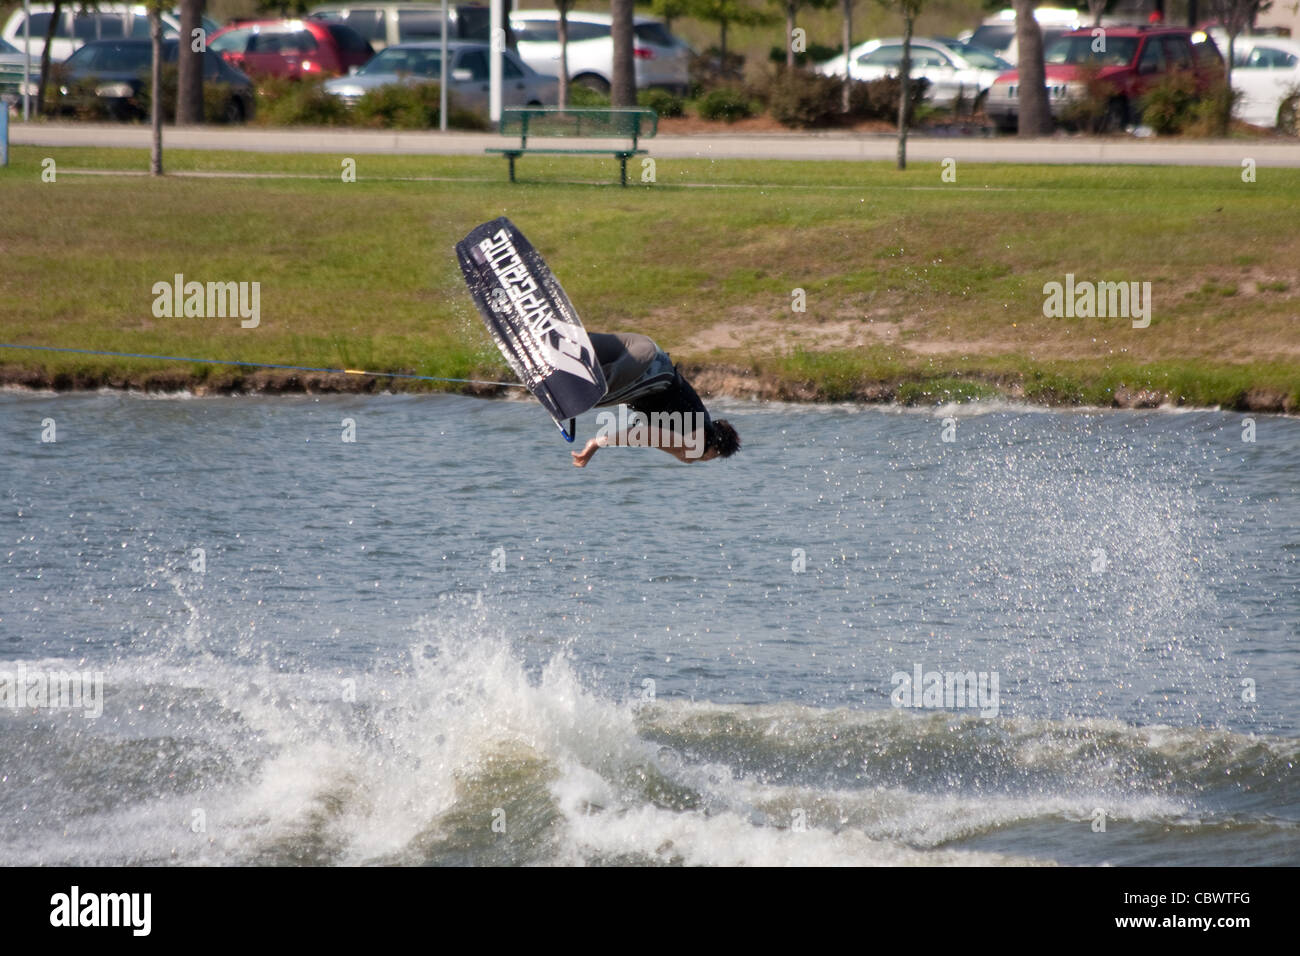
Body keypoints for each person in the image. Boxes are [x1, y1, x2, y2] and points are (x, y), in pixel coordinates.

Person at [571, 332, 740, 467]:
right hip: (650, 374)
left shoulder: (696, 422)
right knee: (582, 396)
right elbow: (642, 434)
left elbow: (645, 434)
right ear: (714, 451)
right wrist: (597, 443)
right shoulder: (695, 446)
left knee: (573, 344)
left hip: (645, 349)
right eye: (714, 457)